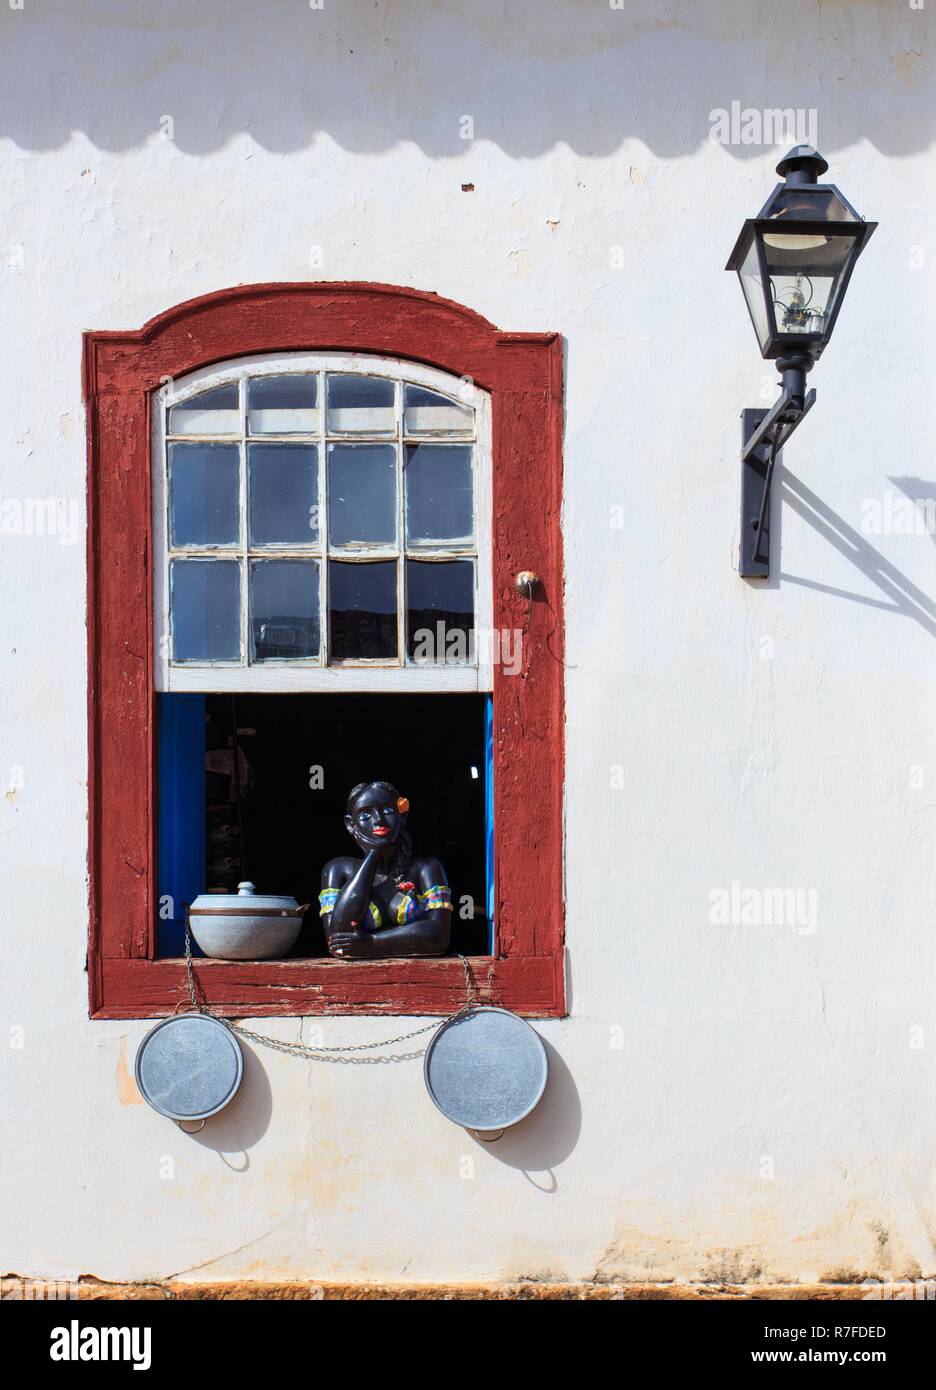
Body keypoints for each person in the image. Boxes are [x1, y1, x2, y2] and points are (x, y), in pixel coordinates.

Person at [319, 780, 452, 959]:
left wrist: (371, 942)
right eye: (365, 816)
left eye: (388, 811)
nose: (378, 820)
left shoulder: (426, 869)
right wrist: (373, 853)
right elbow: (338, 942)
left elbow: (438, 936)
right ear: (351, 825)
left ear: (402, 816)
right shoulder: (338, 869)